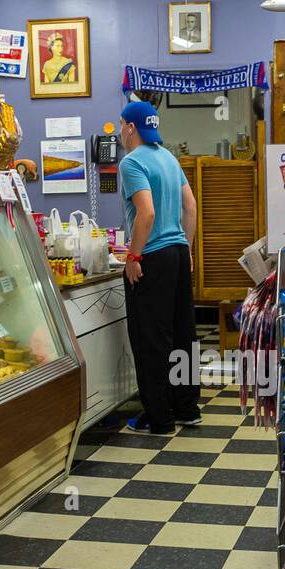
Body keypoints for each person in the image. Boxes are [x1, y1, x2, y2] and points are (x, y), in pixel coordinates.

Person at [118, 100, 201, 435]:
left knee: (151, 338)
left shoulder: (132, 162)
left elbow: (146, 213)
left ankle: (160, 419)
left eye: (122, 125)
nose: (121, 131)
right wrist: (188, 249)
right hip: (179, 253)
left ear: (131, 127)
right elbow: (191, 205)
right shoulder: (168, 157)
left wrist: (133, 257)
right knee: (183, 333)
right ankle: (187, 408)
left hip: (152, 255)